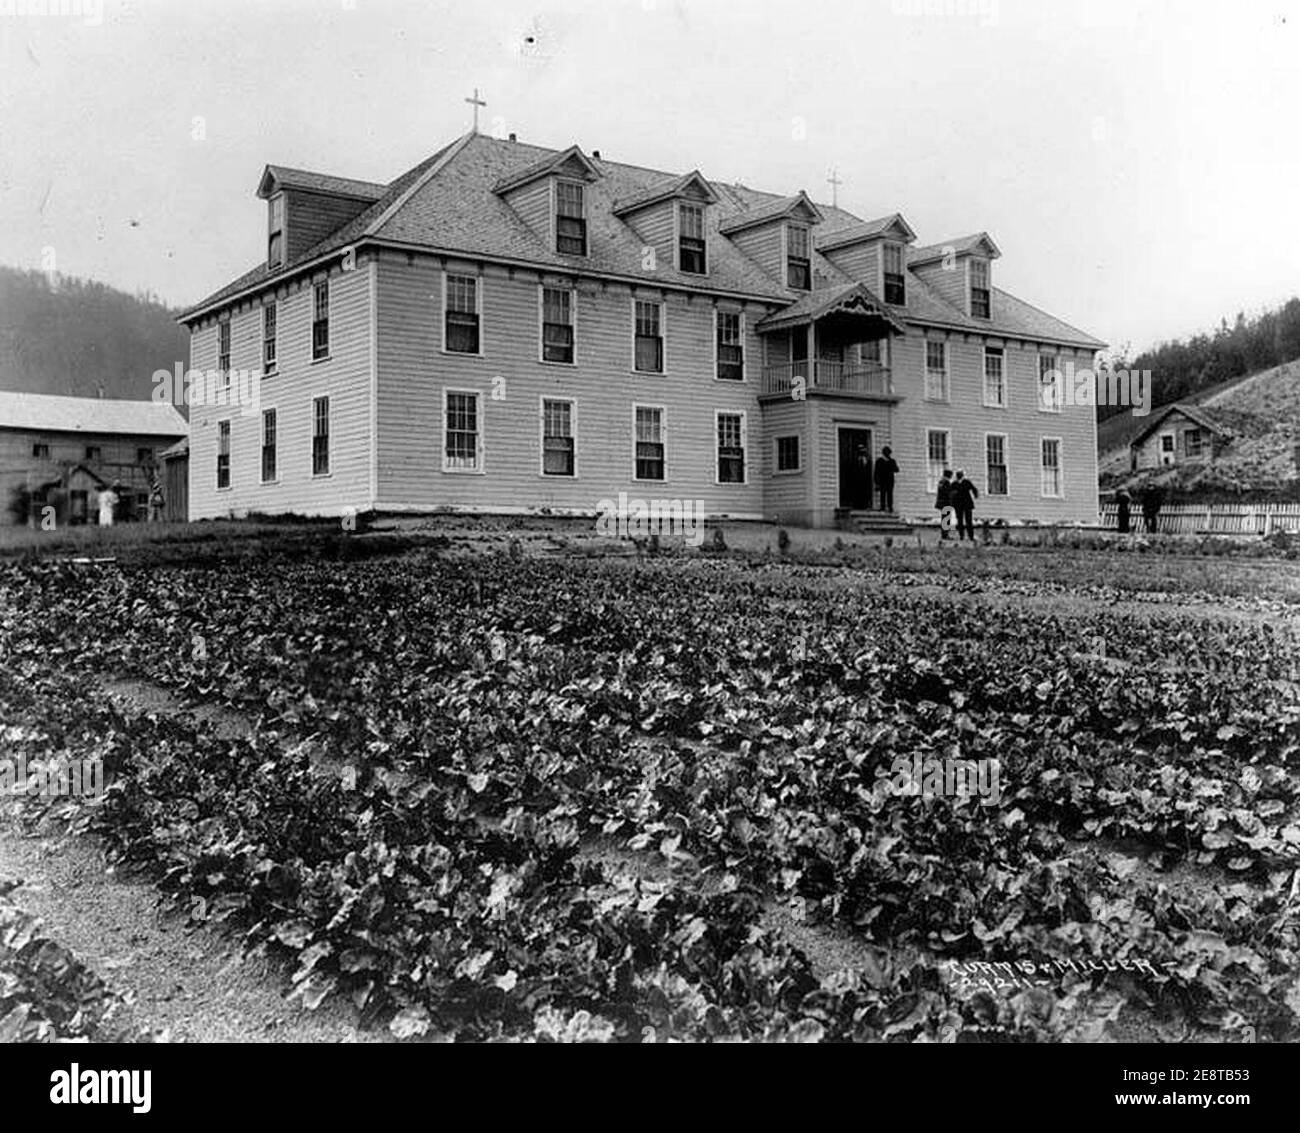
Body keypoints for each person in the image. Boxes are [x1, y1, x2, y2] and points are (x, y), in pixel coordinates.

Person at [951, 469, 979, 542]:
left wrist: (976, 494)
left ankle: (971, 536)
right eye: (958, 474)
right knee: (960, 521)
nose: (959, 476)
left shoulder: (966, 482)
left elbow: (974, 489)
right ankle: (961, 536)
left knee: (968, 521)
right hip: (958, 504)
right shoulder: (954, 484)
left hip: (967, 504)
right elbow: (951, 493)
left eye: (960, 474)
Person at [873, 446, 899, 513]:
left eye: (889, 453)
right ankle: (883, 507)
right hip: (882, 481)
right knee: (883, 494)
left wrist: (894, 466)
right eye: (887, 453)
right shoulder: (879, 461)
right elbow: (876, 472)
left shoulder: (892, 461)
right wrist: (877, 482)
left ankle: (890, 507)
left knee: (889, 494)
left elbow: (896, 470)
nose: (888, 454)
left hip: (890, 481)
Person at [935, 469, 954, 539]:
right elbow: (948, 493)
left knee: (944, 519)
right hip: (946, 503)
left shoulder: (941, 482)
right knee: (946, 520)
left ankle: (944, 534)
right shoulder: (946, 482)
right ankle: (945, 535)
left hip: (941, 503)